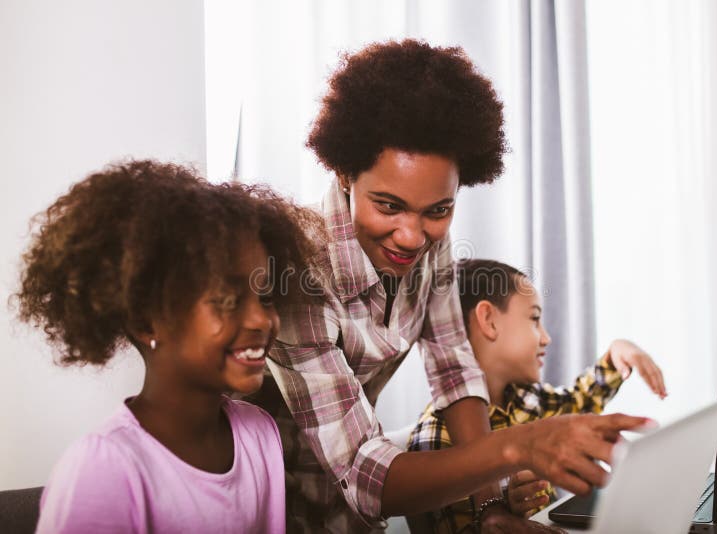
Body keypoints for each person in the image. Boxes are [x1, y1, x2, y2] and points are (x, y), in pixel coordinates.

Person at [250, 39, 653, 533]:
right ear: (344, 172)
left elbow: (454, 370)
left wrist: (490, 509)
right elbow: (362, 472)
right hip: (276, 510)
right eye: (388, 205)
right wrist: (518, 447)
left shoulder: (424, 243)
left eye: (438, 210)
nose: (412, 236)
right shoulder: (301, 277)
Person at [16, 160, 318, 533]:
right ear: (148, 321)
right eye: (227, 299)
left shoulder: (259, 434)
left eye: (266, 296)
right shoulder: (104, 469)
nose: (261, 320)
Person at [407, 259, 668, 532]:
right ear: (488, 320)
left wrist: (616, 354)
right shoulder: (436, 437)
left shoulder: (529, 400)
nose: (546, 338)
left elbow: (580, 402)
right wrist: (507, 509)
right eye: (534, 319)